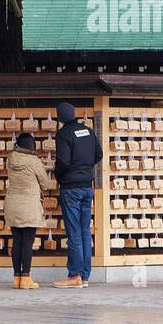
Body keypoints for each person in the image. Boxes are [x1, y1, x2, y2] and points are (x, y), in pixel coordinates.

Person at [51, 101, 102, 288]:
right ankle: (85, 275)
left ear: (60, 117)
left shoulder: (63, 134)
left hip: (71, 187)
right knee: (84, 231)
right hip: (87, 187)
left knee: (73, 232)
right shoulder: (88, 131)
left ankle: (75, 275)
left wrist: (59, 175)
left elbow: (63, 161)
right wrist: (85, 168)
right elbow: (99, 153)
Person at [5, 132, 55, 289]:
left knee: (17, 241)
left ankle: (16, 278)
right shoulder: (34, 161)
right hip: (29, 206)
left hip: (12, 204)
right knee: (27, 243)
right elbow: (46, 185)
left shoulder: (10, 159)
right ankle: (26, 278)